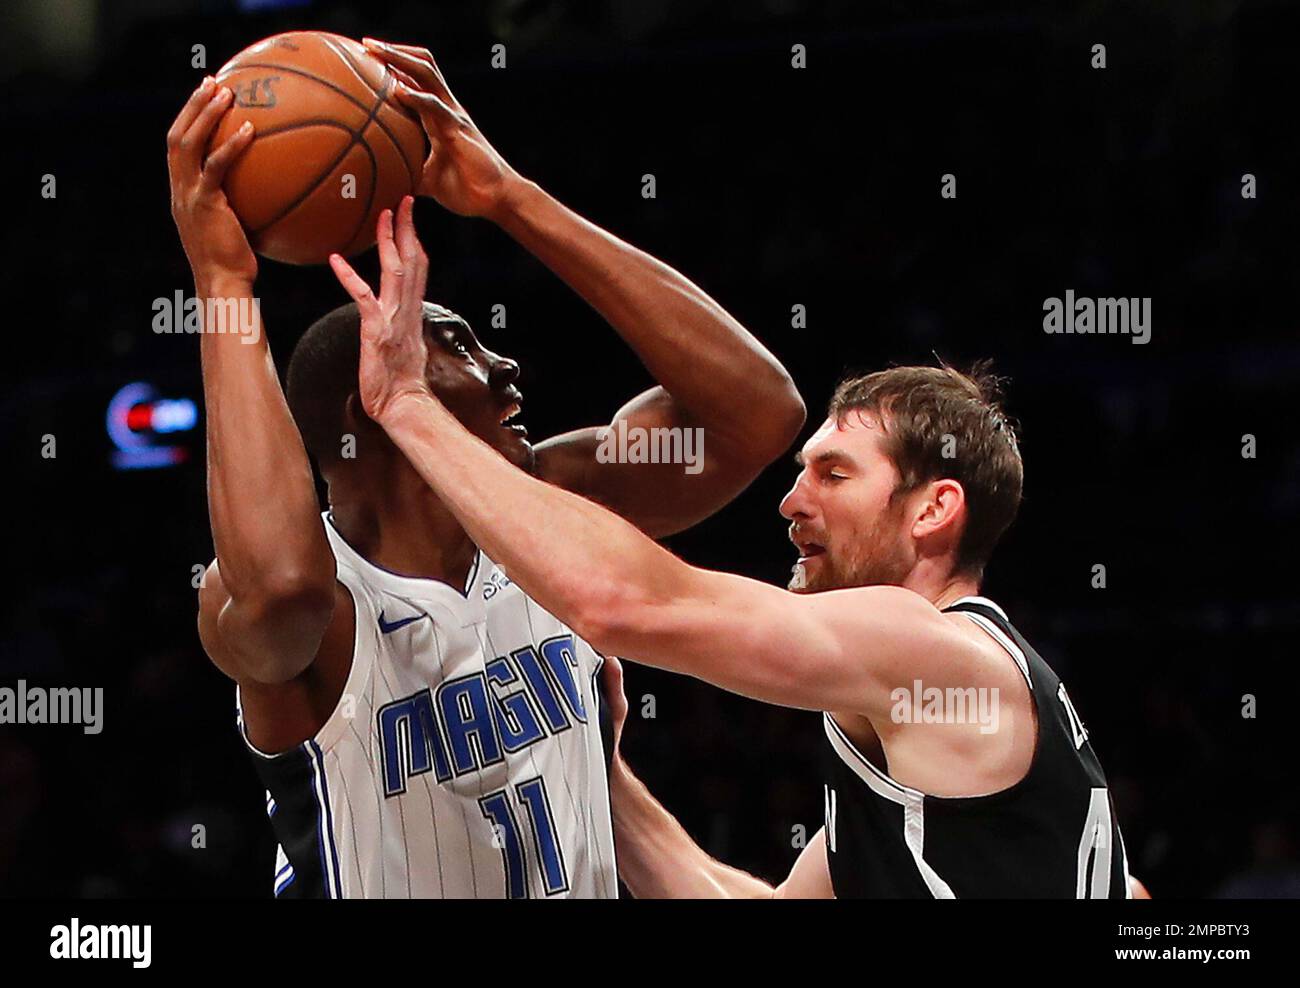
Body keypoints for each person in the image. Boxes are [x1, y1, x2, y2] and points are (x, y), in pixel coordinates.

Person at [330, 193, 1137, 897]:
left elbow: (625, 601)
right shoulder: (925, 735)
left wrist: (406, 401)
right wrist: (606, 782)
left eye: (834, 474)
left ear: (933, 511)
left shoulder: (930, 650)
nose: (791, 501)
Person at [165, 40, 805, 898]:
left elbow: (757, 417)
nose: (507, 367)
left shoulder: (551, 505)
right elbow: (281, 590)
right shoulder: (306, 600)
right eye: (459, 343)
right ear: (368, 396)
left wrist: (511, 197)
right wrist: (222, 280)